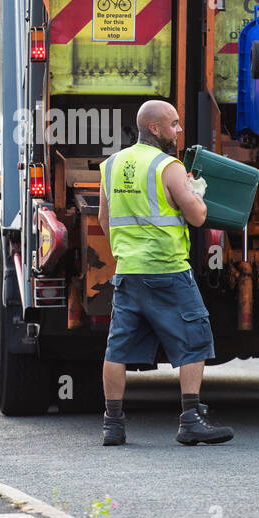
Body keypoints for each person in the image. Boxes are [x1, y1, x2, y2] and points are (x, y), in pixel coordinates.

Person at [97, 99, 233, 446]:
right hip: (168, 270)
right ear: (154, 128)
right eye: (174, 124)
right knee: (195, 340)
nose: (179, 130)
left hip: (128, 271)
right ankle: (191, 420)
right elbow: (198, 217)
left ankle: (113, 425)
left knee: (118, 350)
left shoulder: (111, 165)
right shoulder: (168, 166)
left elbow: (103, 220)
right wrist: (197, 193)